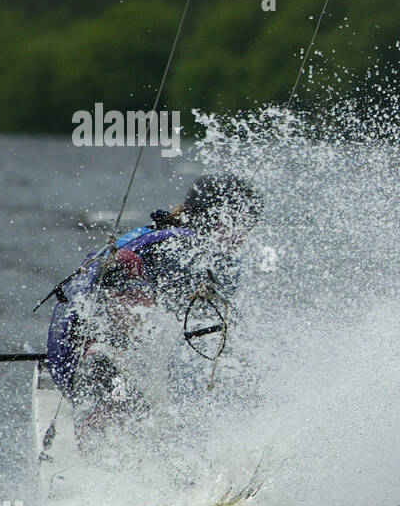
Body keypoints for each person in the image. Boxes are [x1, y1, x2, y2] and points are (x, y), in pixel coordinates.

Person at [45, 174, 262, 440]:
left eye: (250, 224)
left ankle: (110, 411)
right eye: (240, 222)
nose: (244, 233)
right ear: (213, 218)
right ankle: (109, 417)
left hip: (67, 367)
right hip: (97, 361)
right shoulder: (185, 249)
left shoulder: (155, 233)